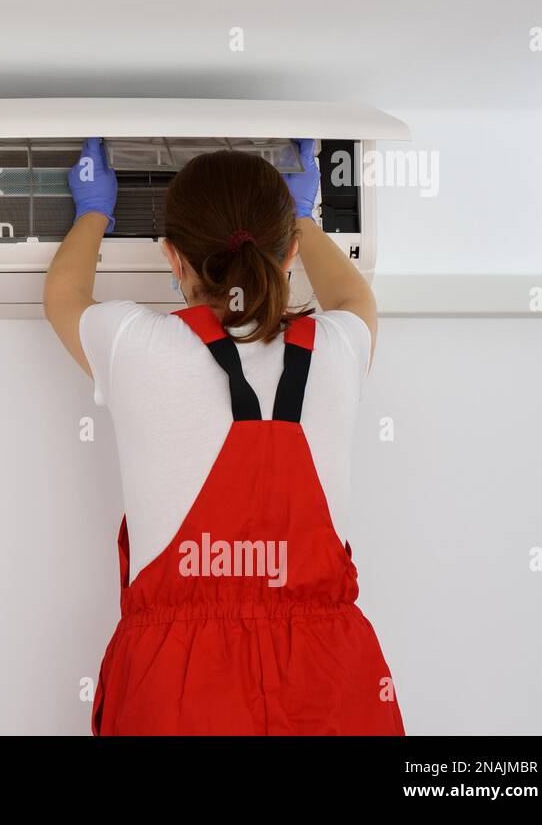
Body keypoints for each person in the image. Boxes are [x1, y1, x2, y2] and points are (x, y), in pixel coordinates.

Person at [44, 138, 405, 735]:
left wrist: (94, 212)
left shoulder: (136, 346)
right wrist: (306, 219)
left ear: (173, 258)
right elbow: (354, 297)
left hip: (178, 684)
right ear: (288, 252)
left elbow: (62, 296)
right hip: (329, 677)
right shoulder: (337, 349)